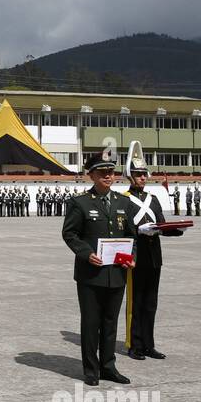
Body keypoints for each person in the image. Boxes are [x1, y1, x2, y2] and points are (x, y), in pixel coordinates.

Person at [62, 155, 138, 386]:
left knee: (110, 323)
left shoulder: (123, 202)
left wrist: (132, 257)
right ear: (91, 175)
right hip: (90, 274)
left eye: (111, 172)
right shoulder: (80, 202)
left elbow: (131, 235)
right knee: (91, 323)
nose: (108, 176)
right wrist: (86, 253)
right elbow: (70, 234)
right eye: (102, 172)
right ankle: (91, 370)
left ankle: (108, 367)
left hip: (116, 272)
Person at [123, 151, 186, 361]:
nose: (142, 177)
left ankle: (149, 344)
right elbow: (121, 228)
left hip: (153, 257)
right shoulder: (123, 199)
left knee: (151, 303)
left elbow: (160, 223)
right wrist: (138, 231)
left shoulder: (153, 199)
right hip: (135, 257)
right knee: (136, 302)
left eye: (144, 174)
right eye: (138, 174)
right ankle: (134, 345)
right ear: (129, 176)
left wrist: (176, 230)